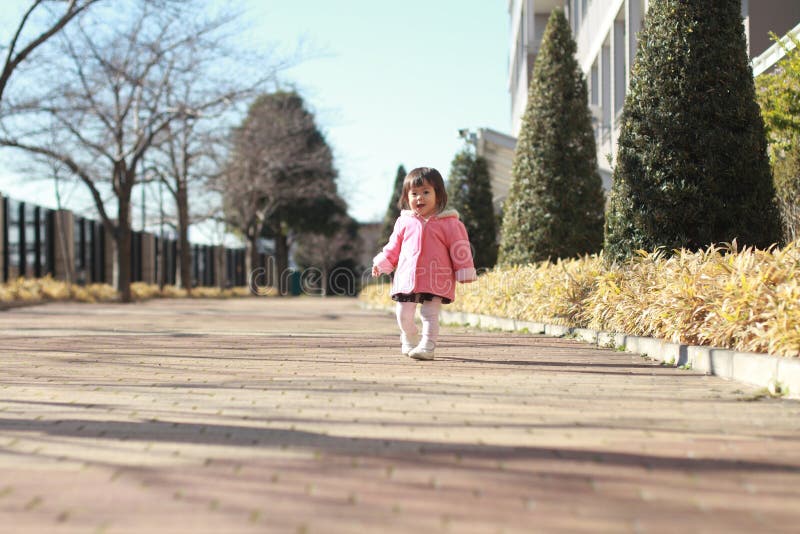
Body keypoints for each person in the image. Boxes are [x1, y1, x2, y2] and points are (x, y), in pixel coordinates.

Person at [372, 167, 476, 360]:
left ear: (438, 195)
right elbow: (393, 246)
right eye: (414, 194)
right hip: (407, 277)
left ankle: (428, 346)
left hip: (437, 277)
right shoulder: (404, 222)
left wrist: (464, 271)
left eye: (426, 192)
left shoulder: (450, 224)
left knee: (429, 313)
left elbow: (460, 249)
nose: (419, 198)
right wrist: (383, 262)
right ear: (406, 197)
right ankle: (410, 335)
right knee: (403, 314)